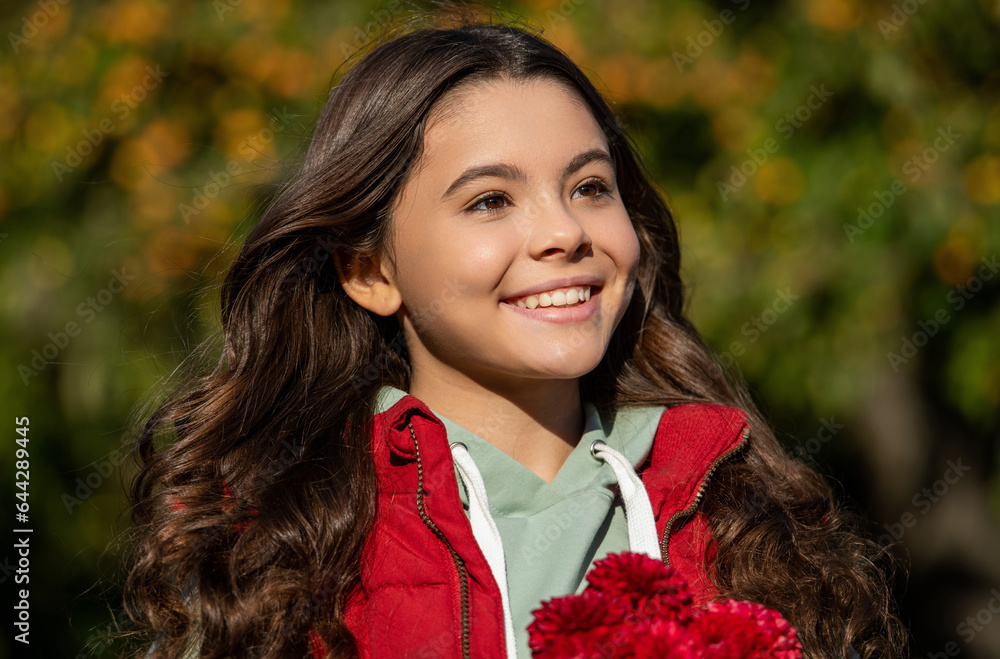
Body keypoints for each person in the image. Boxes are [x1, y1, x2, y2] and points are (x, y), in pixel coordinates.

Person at [124, 6, 907, 659]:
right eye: (491, 200)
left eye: (590, 187)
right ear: (370, 270)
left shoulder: (737, 510)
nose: (565, 231)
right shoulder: (283, 552)